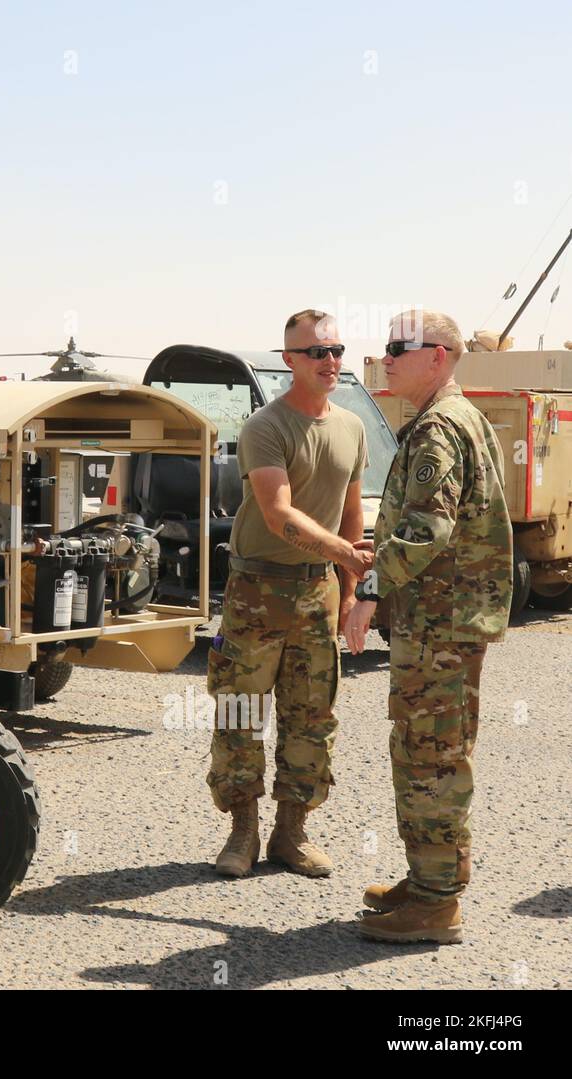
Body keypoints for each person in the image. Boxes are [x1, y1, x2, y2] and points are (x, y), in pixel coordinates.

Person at [345, 311, 511, 944]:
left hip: (438, 626)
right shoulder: (454, 417)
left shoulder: (440, 426)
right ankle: (429, 880)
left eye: (398, 348)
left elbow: (425, 530)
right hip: (446, 622)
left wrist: (371, 592)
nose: (385, 358)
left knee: (429, 759)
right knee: (434, 751)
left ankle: (437, 903)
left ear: (438, 356)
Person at [207, 310, 372, 878]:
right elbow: (279, 515)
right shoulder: (266, 426)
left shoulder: (351, 426)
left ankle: (291, 833)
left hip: (318, 592)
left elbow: (353, 513)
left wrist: (351, 593)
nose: (330, 361)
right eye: (316, 353)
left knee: (311, 715)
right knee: (240, 710)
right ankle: (242, 833)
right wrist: (347, 556)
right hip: (257, 589)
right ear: (289, 362)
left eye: (335, 350)